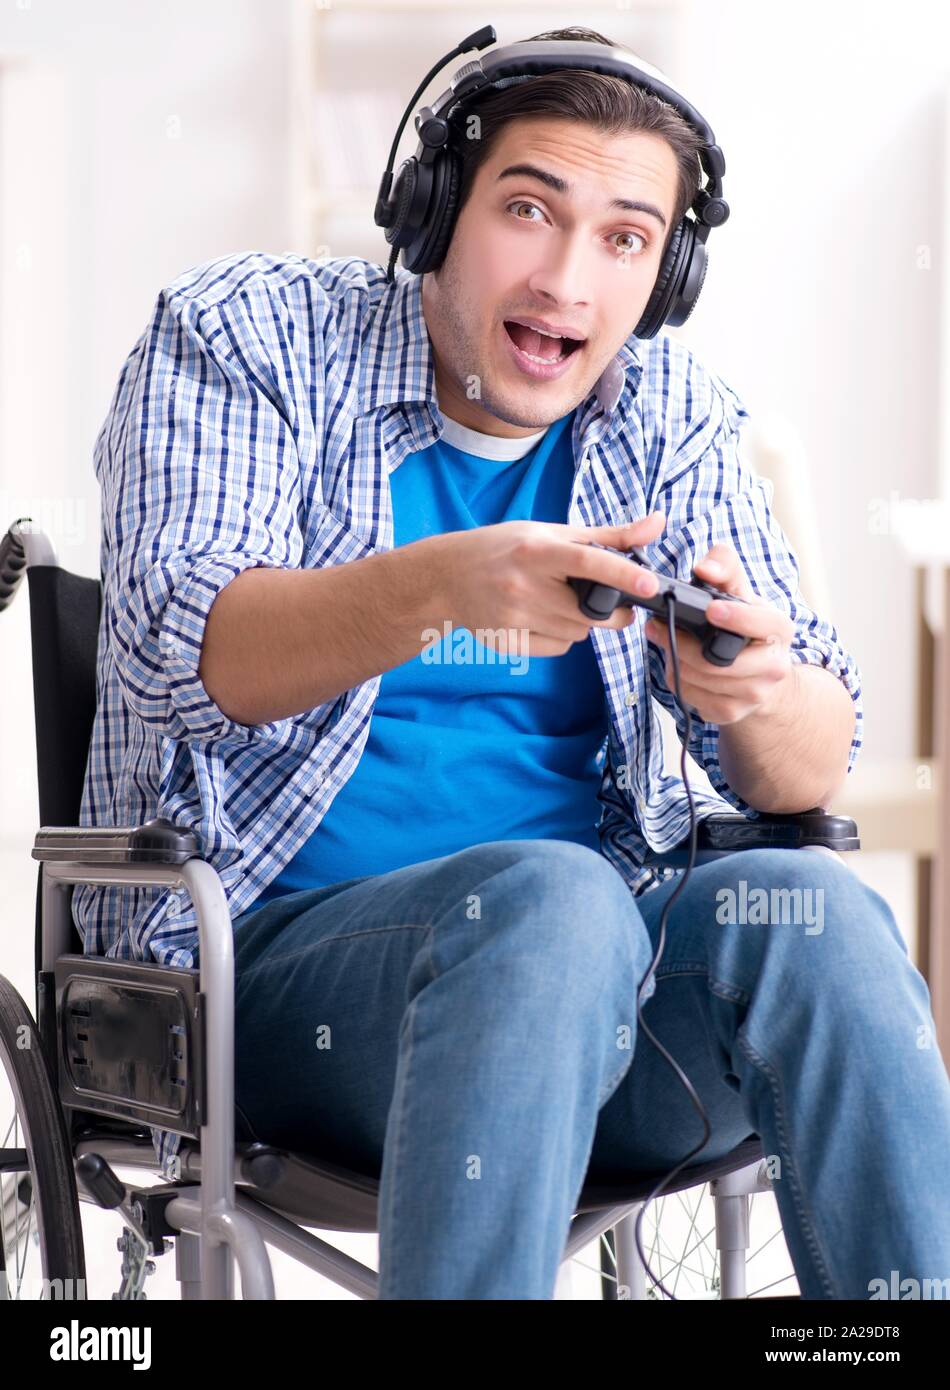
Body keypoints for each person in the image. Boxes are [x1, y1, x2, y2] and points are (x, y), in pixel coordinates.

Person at [75, 26, 950, 1299]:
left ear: (666, 270)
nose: (565, 282)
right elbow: (177, 651)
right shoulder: (247, 337)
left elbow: (810, 760)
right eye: (528, 209)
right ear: (434, 207)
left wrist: (755, 691)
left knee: (816, 914)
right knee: (546, 902)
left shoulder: (667, 411)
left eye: (623, 239)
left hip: (596, 999)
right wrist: (444, 584)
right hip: (266, 991)